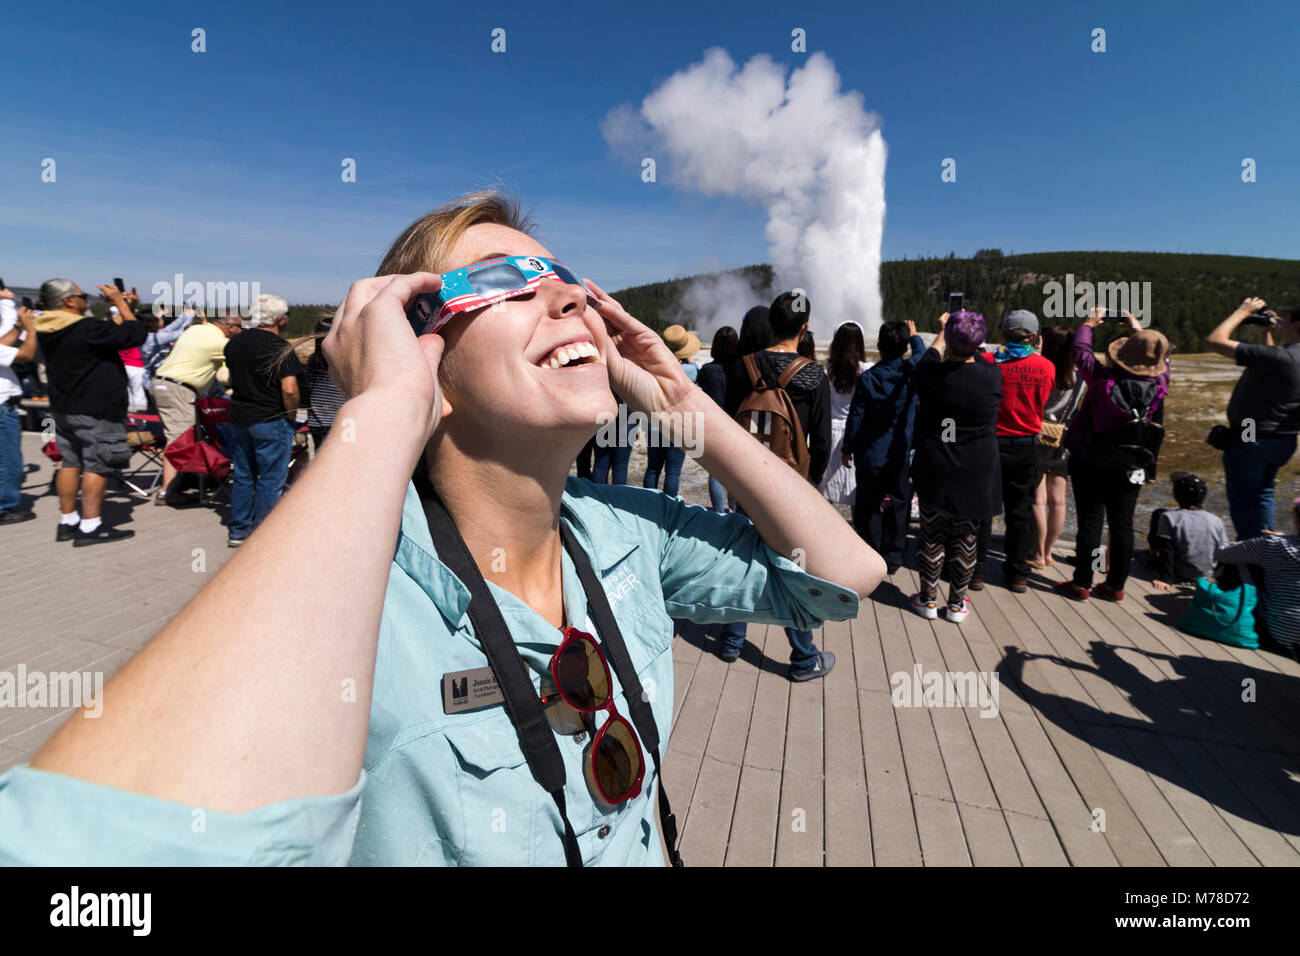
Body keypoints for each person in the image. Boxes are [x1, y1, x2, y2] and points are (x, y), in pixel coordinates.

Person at [0, 191, 884, 866]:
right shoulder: (351, 599)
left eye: (569, 282)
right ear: (423, 351)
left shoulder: (625, 533)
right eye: (506, 281)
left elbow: (842, 572)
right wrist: (381, 416)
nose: (568, 300)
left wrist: (684, 403)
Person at [716, 292, 837, 677]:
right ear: (804, 328)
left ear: (769, 324)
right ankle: (803, 657)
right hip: (791, 485)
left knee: (745, 556)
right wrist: (812, 486)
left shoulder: (742, 366)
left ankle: (732, 641)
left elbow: (726, 427)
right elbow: (821, 441)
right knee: (790, 566)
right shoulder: (814, 375)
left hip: (748, 479)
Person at [1056, 309, 1171, 602]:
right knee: (1122, 524)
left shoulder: (1103, 379)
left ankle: (1082, 581)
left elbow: (1081, 352)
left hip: (1091, 458)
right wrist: (1138, 330)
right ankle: (1115, 585)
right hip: (1132, 462)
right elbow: (1161, 361)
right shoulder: (1160, 385)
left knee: (1090, 523)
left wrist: (1088, 324)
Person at [34, 279, 145, 545]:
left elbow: (106, 335)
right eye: (82, 295)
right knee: (100, 463)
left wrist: (121, 310)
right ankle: (90, 527)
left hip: (65, 407)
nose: (86, 299)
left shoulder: (49, 327)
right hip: (95, 408)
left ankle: (68, 520)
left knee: (70, 463)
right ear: (68, 301)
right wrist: (119, 302)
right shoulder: (83, 327)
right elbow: (135, 336)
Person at [908, 311, 1002, 623]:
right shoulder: (991, 376)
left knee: (932, 533)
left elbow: (928, 358)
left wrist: (940, 333)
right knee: (966, 537)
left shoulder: (931, 375)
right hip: (977, 467)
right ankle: (957, 605)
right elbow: (982, 357)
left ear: (949, 339)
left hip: (937, 463)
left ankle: (927, 600)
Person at [972, 310, 1055, 592]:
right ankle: (1018, 574)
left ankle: (976, 571)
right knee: (1019, 512)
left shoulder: (986, 361)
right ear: (1034, 336)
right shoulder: (1046, 367)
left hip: (989, 444)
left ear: (1003, 334)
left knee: (982, 510)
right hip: (1025, 447)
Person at [1206, 297, 1300, 540]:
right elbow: (1270, 359)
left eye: (1285, 321)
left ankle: (1251, 561)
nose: (1281, 324)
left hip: (1251, 433)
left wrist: (1243, 311)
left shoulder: (1283, 357)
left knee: (1244, 501)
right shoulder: (1282, 358)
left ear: (1296, 326)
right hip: (1284, 438)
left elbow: (1214, 341)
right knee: (1263, 494)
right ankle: (1266, 547)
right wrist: (1264, 332)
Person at [843, 319, 925, 573]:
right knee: (899, 504)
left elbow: (856, 417)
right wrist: (915, 336)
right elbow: (922, 355)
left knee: (868, 506)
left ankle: (870, 552)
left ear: (879, 345)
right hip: (900, 454)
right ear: (904, 348)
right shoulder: (910, 373)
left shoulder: (868, 379)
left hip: (871, 455)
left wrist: (848, 447)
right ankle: (893, 556)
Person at [223, 294, 304, 548]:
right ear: (280, 319)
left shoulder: (234, 344)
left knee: (244, 474)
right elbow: (289, 388)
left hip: (240, 416)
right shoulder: (279, 347)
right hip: (270, 418)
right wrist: (291, 416)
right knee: (271, 478)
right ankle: (264, 534)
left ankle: (238, 529)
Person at [151, 313, 243, 505]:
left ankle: (180, 483)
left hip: (163, 383)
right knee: (179, 439)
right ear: (231, 327)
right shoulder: (219, 342)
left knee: (179, 435)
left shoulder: (196, 330)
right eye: (240, 328)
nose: (241, 332)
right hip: (180, 388)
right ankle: (167, 491)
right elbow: (239, 361)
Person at [1030, 325, 1086, 569]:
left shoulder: (1043, 370)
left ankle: (1037, 552)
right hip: (1063, 437)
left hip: (1038, 435)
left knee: (1038, 499)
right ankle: (1050, 552)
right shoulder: (1079, 376)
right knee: (1059, 501)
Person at [642, 324, 699, 497]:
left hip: (654, 425)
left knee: (653, 469)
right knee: (673, 472)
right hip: (679, 426)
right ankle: (669, 507)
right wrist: (689, 359)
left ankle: (648, 504)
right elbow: (698, 369)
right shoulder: (692, 371)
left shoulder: (653, 368)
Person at [819, 321, 871, 507]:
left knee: (826, 489)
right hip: (855, 433)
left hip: (831, 430)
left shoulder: (830, 367)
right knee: (855, 489)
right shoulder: (867, 369)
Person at [1148, 472, 1229, 589]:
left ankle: (1152, 556)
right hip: (1208, 574)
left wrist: (1165, 579)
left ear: (1175, 494)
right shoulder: (1217, 521)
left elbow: (1167, 549)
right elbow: (1224, 550)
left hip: (1181, 572)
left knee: (1158, 513)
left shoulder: (1168, 517)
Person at [0, 300, 38, 525]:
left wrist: (18, 326)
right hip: (3, 407)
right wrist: (31, 328)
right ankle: (4, 507)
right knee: (8, 459)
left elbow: (2, 344)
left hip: (8, 406)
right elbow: (26, 354)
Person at [696, 325, 738, 513]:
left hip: (713, 423)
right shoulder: (740, 369)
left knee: (715, 473)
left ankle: (719, 512)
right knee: (736, 473)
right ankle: (735, 511)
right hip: (736, 424)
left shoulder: (706, 370)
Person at [305, 314, 347, 452]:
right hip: (339, 420)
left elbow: (308, 387)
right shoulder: (343, 359)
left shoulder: (314, 360)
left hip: (316, 420)